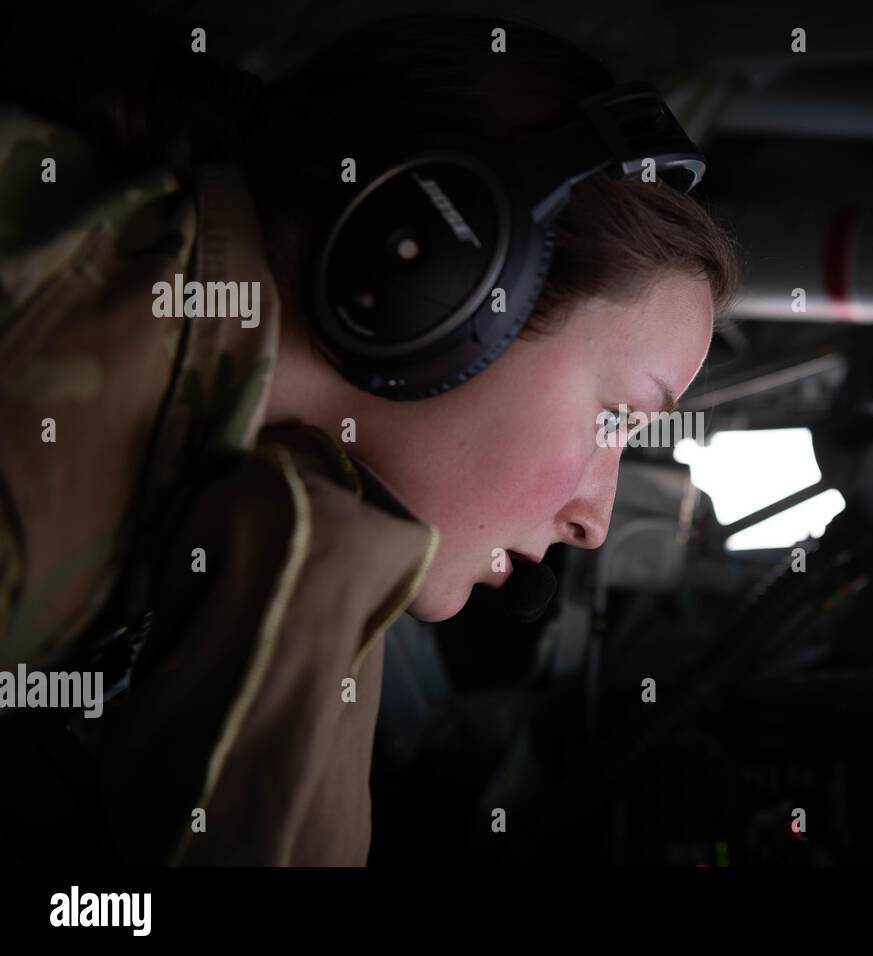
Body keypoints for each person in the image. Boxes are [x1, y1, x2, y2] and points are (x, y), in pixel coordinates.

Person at [0, 12, 740, 864]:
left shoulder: (215, 447)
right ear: (445, 277)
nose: (595, 521)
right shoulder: (44, 428)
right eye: (616, 419)